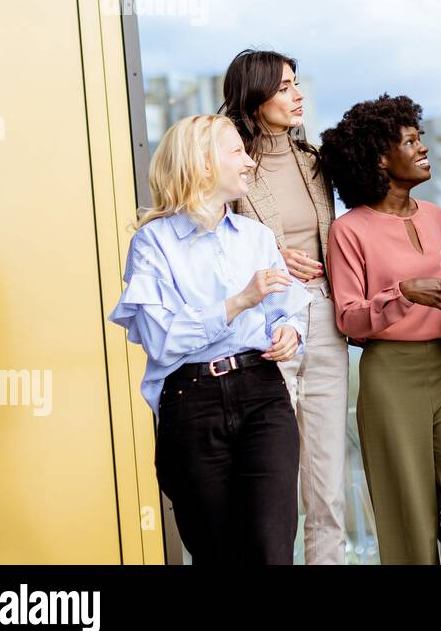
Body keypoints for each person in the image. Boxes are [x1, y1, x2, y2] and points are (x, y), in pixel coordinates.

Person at [108, 114, 310, 564]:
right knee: (217, 556)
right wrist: (239, 302)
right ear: (202, 164)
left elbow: (289, 309)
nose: (250, 163)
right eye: (237, 152)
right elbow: (161, 339)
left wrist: (290, 331)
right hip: (190, 403)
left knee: (272, 551)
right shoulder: (153, 243)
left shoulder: (257, 237)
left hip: (263, 394)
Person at [319, 95, 441, 565]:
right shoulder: (348, 230)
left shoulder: (434, 216)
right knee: (409, 512)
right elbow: (349, 318)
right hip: (390, 376)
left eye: (421, 139)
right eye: (411, 141)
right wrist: (403, 294)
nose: (423, 148)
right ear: (380, 158)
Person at [221, 49, 349, 565]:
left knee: (327, 482)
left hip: (325, 320)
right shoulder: (232, 169)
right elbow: (218, 250)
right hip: (266, 328)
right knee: (272, 479)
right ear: (255, 97)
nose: (297, 96)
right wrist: (272, 254)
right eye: (283, 88)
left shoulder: (315, 162)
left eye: (296, 84)